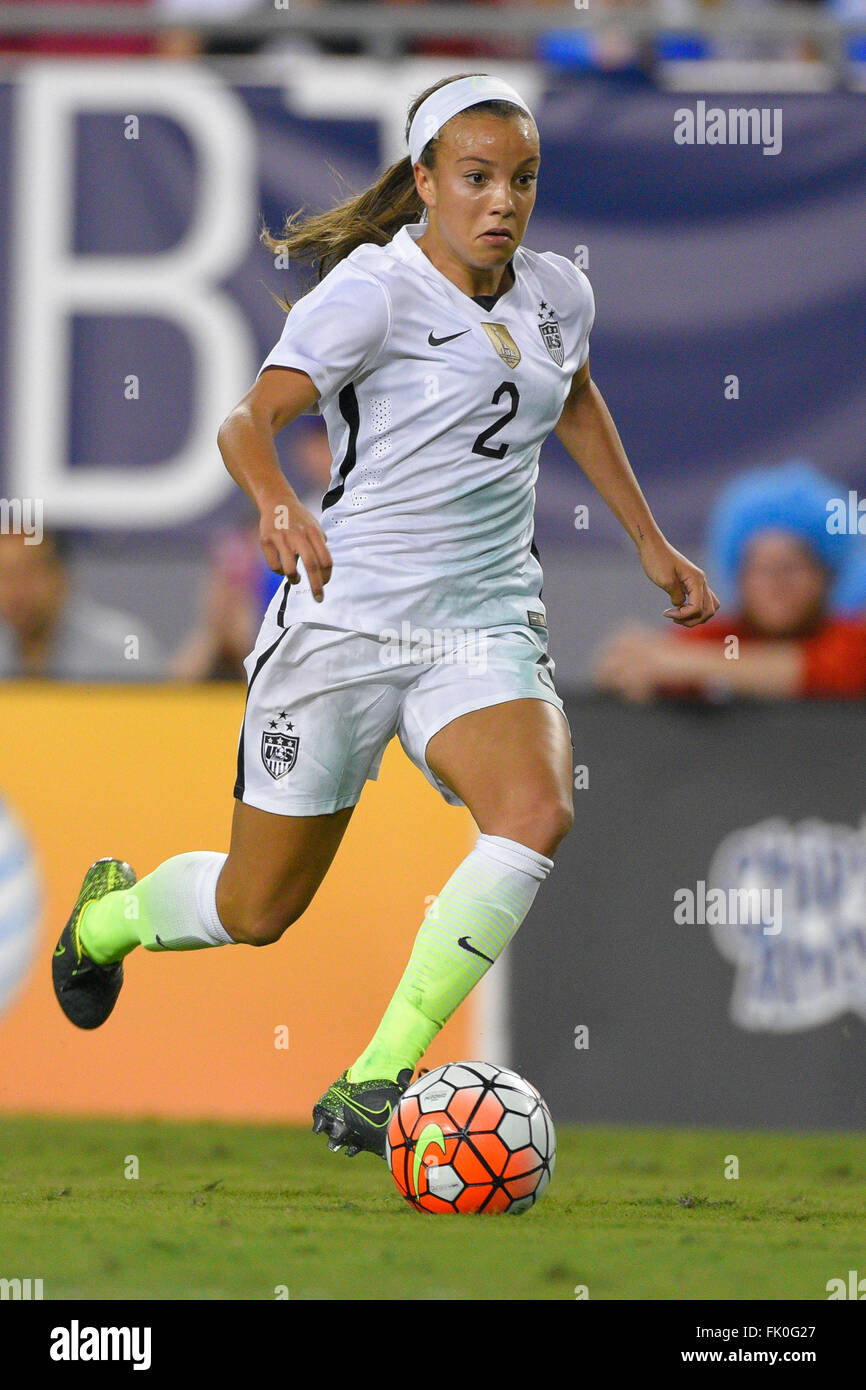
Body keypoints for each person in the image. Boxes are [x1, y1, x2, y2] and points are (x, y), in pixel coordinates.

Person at [52, 72, 718, 1161]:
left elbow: (574, 390)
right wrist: (275, 501)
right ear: (422, 183)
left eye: (521, 180)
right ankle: (107, 919)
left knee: (535, 810)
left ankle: (375, 1076)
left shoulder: (557, 293)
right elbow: (246, 419)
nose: (502, 202)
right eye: (474, 179)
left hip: (483, 620)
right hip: (343, 621)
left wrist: (646, 538)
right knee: (257, 908)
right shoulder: (373, 291)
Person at [594, 461, 866, 701]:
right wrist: (635, 669)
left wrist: (680, 665)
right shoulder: (716, 638)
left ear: (827, 576)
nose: (776, 584)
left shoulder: (853, 639)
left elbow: (824, 672)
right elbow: (632, 670)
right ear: (739, 576)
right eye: (760, 569)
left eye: (791, 568)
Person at [0, 529, 165, 680]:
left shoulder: (121, 650)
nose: (15, 590)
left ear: (60, 575)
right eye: (5, 574)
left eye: (28, 573)